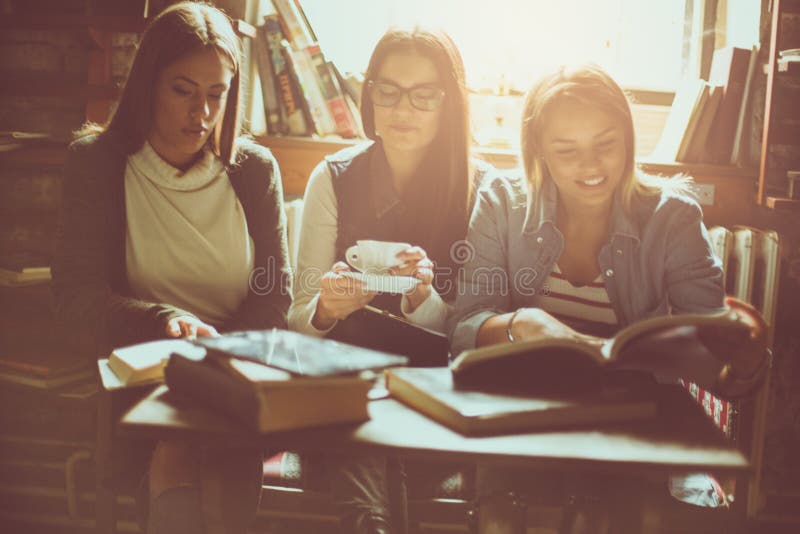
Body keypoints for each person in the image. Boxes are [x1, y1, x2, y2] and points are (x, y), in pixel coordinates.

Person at [449, 63, 768, 534]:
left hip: (629, 417)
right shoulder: (501, 200)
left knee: (607, 515)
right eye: (567, 150)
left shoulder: (672, 217)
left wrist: (743, 363)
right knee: (502, 514)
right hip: (524, 411)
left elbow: (711, 356)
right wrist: (524, 323)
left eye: (605, 143)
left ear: (628, 138)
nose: (591, 166)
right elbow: (464, 329)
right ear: (539, 150)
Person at [52, 3, 291, 533]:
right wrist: (163, 321)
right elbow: (76, 300)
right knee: (177, 445)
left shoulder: (254, 171)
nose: (201, 115)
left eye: (216, 95)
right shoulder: (98, 162)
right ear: (147, 86)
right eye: (183, 90)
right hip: (144, 366)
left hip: (237, 370)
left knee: (217, 452)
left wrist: (221, 359)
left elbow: (275, 300)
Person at [287, 27, 492, 533]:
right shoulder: (333, 177)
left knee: (384, 438)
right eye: (389, 90)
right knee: (361, 415)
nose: (404, 108)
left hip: (435, 394)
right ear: (369, 94)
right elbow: (296, 322)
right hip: (341, 391)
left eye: (424, 95)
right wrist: (327, 310)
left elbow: (475, 334)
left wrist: (423, 301)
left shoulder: (483, 189)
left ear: (449, 104)